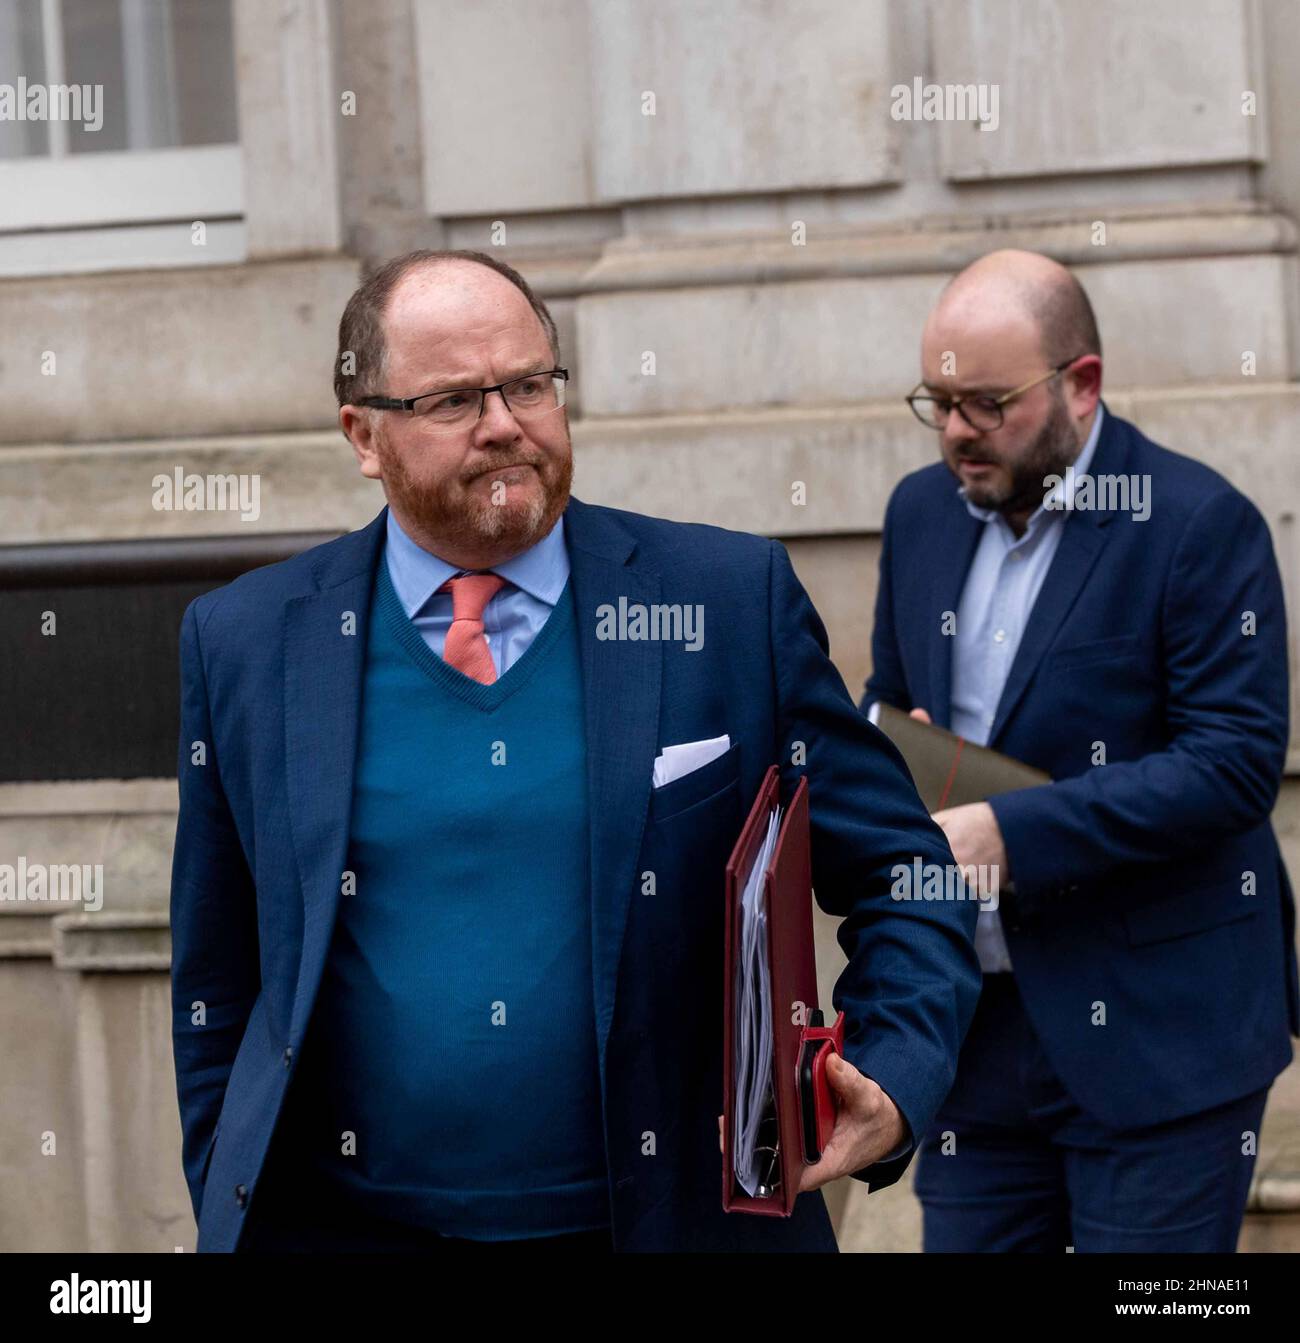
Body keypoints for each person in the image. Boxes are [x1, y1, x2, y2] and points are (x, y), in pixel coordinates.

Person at [170, 248, 981, 1252]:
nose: (506, 421)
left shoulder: (724, 605)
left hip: (668, 1228)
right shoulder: (248, 642)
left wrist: (894, 1076)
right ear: (363, 434)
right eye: (454, 399)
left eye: (528, 384)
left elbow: (908, 875)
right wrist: (224, 1197)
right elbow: (216, 980)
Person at [863, 247, 1298, 1252]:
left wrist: (1005, 833)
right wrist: (885, 749)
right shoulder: (919, 511)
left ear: (1081, 383)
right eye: (937, 402)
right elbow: (892, 703)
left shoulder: (1198, 524)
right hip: (972, 1024)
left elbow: (1232, 761)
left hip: (1159, 1034)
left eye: (986, 402)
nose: (958, 434)